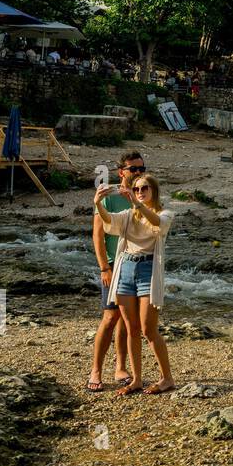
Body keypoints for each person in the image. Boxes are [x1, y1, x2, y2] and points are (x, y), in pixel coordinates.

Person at [94, 174, 176, 396]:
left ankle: (167, 378)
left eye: (144, 188)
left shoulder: (164, 213)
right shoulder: (129, 215)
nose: (140, 192)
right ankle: (137, 379)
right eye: (137, 189)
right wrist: (98, 204)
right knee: (131, 328)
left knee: (149, 329)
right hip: (126, 269)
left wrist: (136, 203)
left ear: (154, 191)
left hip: (148, 270)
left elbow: (158, 224)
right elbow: (109, 221)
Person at [87, 150, 143, 393]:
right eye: (134, 169)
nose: (139, 173)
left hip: (135, 264)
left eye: (141, 168)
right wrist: (104, 267)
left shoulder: (143, 193)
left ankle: (121, 367)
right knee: (110, 318)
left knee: (128, 320)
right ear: (122, 172)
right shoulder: (108, 196)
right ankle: (95, 370)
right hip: (114, 264)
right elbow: (97, 235)